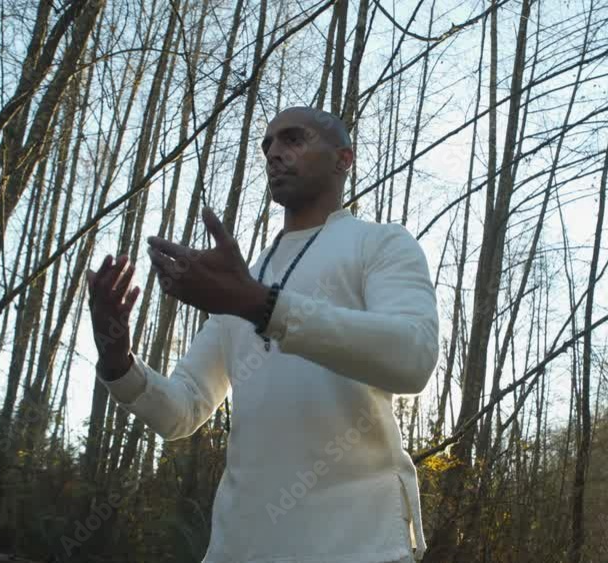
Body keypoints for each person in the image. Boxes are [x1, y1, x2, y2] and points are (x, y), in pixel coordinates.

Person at [86, 106, 439, 563]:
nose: (273, 152)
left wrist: (260, 305)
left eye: (293, 139)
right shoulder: (242, 282)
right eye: (267, 144)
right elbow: (184, 408)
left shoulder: (381, 244)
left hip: (358, 544)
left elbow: (414, 357)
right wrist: (118, 359)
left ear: (343, 159)